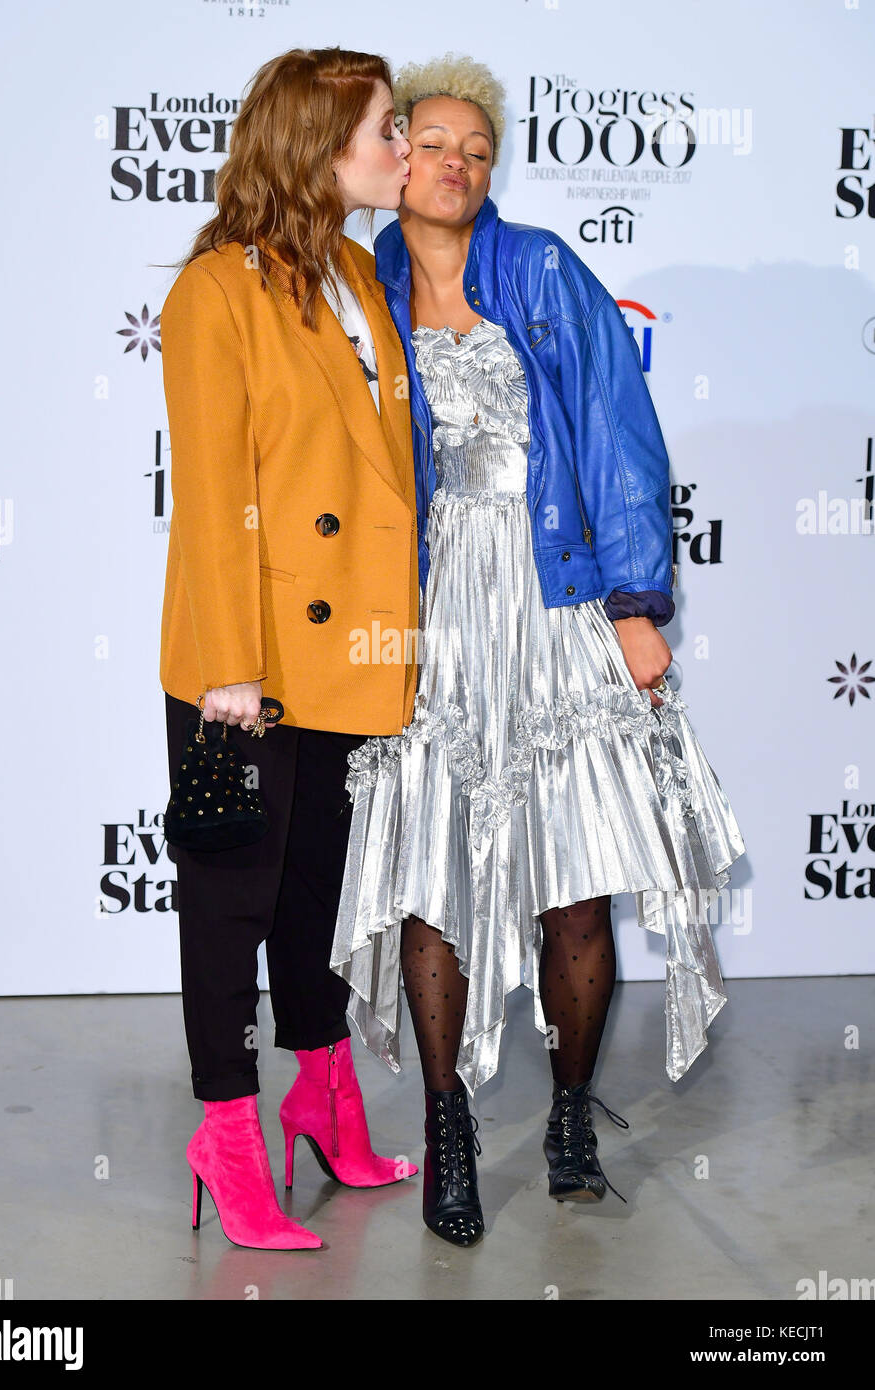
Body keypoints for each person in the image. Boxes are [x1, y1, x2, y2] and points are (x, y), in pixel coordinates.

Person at [329, 54, 746, 1247]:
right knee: (431, 879)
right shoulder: (361, 289)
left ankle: (567, 1111)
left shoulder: (547, 271)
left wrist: (632, 602)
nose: (456, 164)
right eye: (435, 143)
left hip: (557, 595)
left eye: (478, 149)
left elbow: (618, 434)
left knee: (576, 886)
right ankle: (448, 1123)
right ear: (397, 154)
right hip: (430, 614)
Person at [158, 46, 420, 1252]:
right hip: (249, 660)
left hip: (356, 649)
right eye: (385, 129)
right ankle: (225, 1123)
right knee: (230, 898)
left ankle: (321, 1093)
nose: (404, 150)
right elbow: (213, 497)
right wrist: (228, 668)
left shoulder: (364, 274)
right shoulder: (216, 289)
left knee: (320, 893)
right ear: (318, 146)